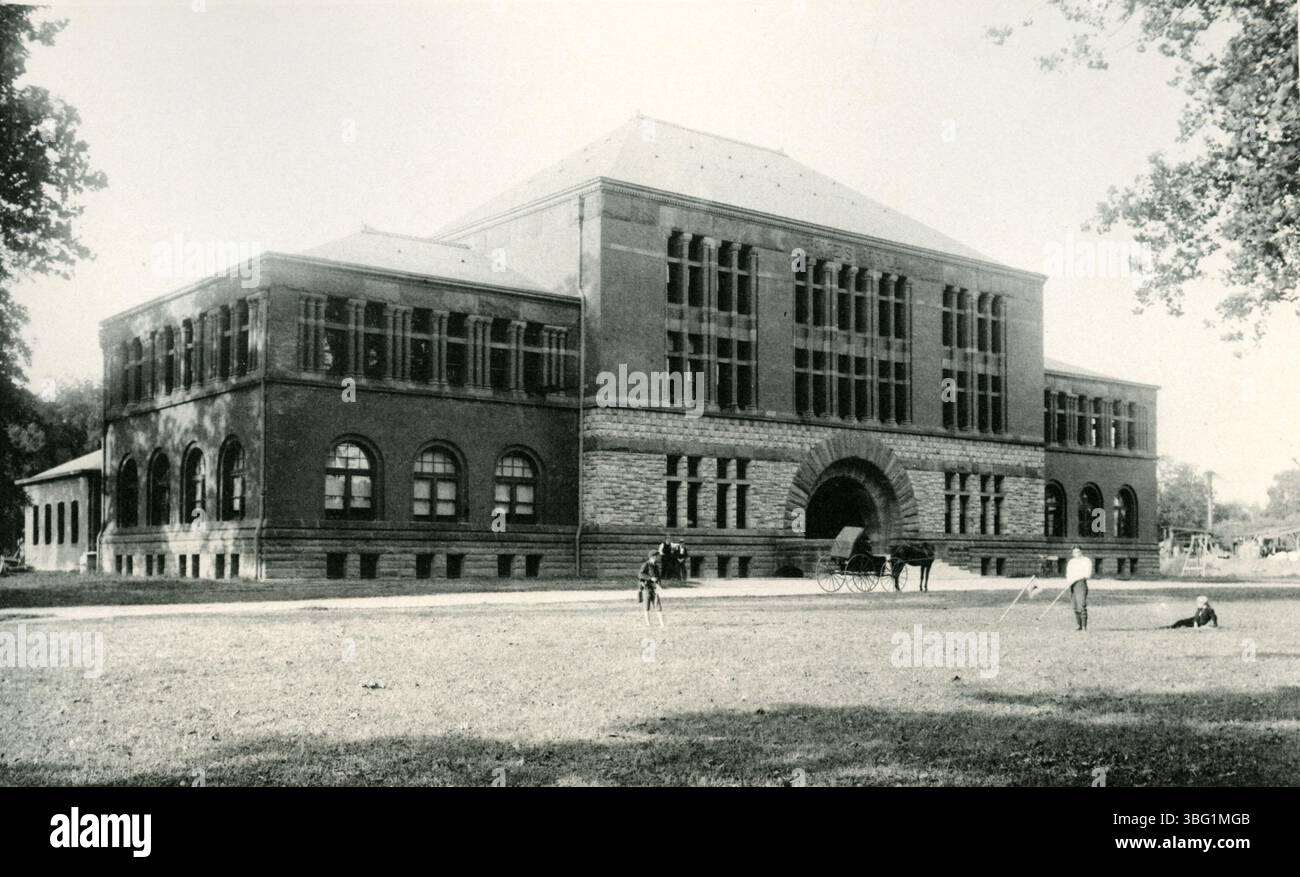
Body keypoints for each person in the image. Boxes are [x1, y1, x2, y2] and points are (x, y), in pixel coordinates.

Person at [1064, 545, 1092, 632]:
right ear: (1072, 553)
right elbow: (1068, 573)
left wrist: (1076, 578)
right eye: (1074, 552)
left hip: (1080, 583)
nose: (1077, 554)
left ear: (1081, 551)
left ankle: (1084, 627)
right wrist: (1068, 581)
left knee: (1081, 604)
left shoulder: (1086, 560)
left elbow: (1087, 574)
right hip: (1072, 584)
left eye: (1078, 552)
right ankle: (1078, 625)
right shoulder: (1071, 562)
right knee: (1074, 605)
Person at [638, 551, 665, 628]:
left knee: (658, 605)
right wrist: (650, 578)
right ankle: (648, 624)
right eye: (656, 556)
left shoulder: (656, 566)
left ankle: (662, 624)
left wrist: (659, 585)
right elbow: (640, 574)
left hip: (654, 588)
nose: (657, 558)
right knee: (646, 606)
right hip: (646, 588)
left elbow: (658, 577)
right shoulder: (646, 564)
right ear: (652, 557)